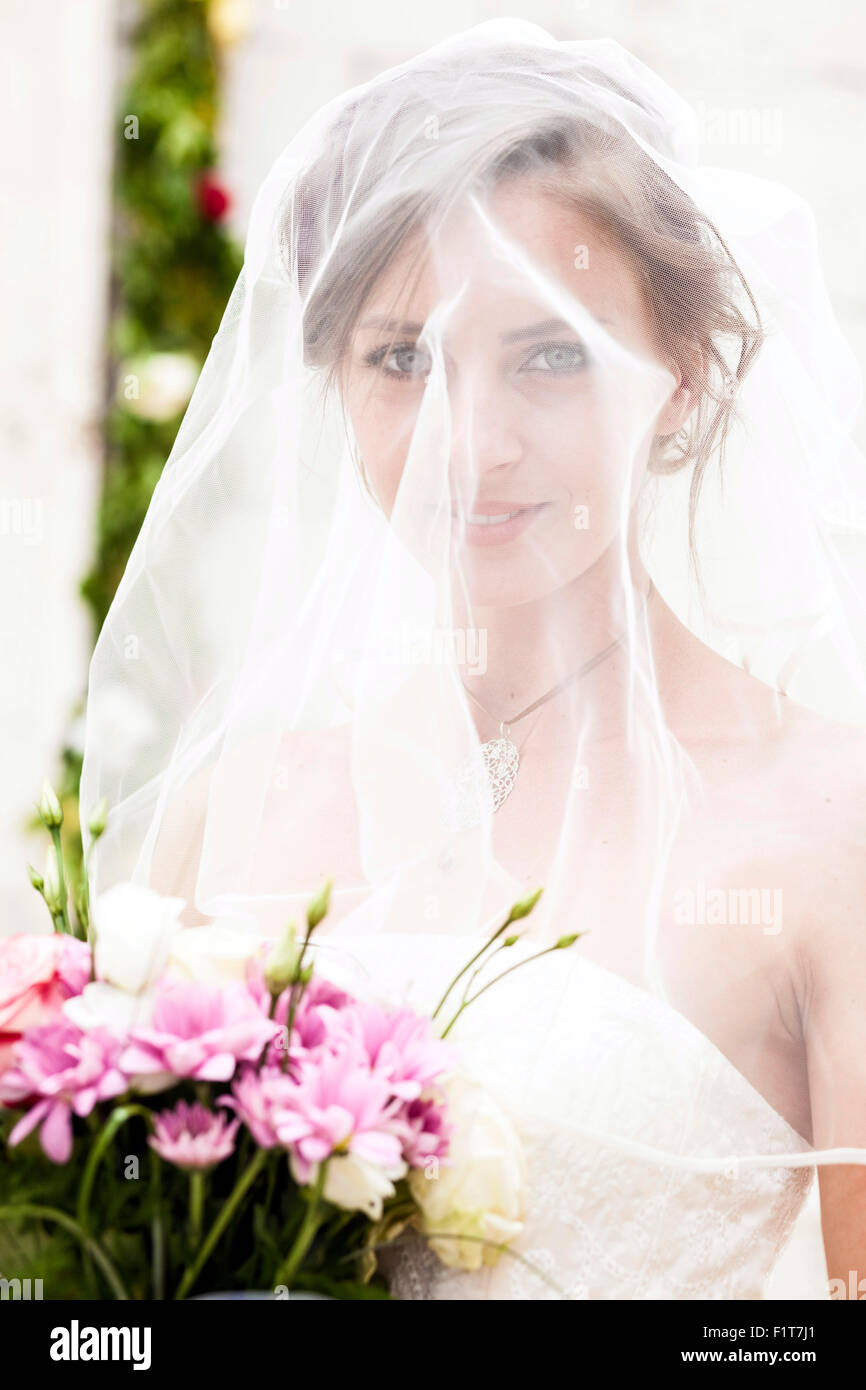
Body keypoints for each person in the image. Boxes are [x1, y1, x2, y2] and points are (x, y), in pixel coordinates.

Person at [81, 21, 866, 1298]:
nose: (470, 442)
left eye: (549, 354)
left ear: (674, 369)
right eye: (404, 359)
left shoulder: (833, 831)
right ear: (336, 377)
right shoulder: (239, 806)